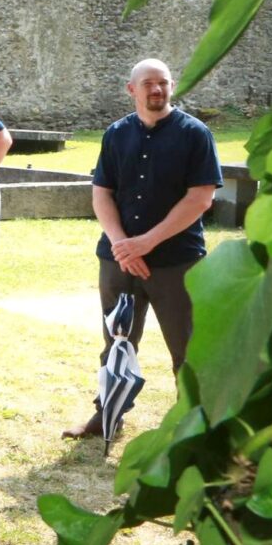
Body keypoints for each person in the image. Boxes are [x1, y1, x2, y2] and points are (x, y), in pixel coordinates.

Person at [64, 58, 221, 438]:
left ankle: (195, 424)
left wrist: (145, 243)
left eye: (164, 83)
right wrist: (122, 245)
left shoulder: (194, 134)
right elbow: (102, 191)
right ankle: (108, 413)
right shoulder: (116, 133)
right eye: (149, 83)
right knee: (117, 342)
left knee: (187, 348)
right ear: (131, 89)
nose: (157, 90)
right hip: (118, 261)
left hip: (175, 263)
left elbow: (200, 198)